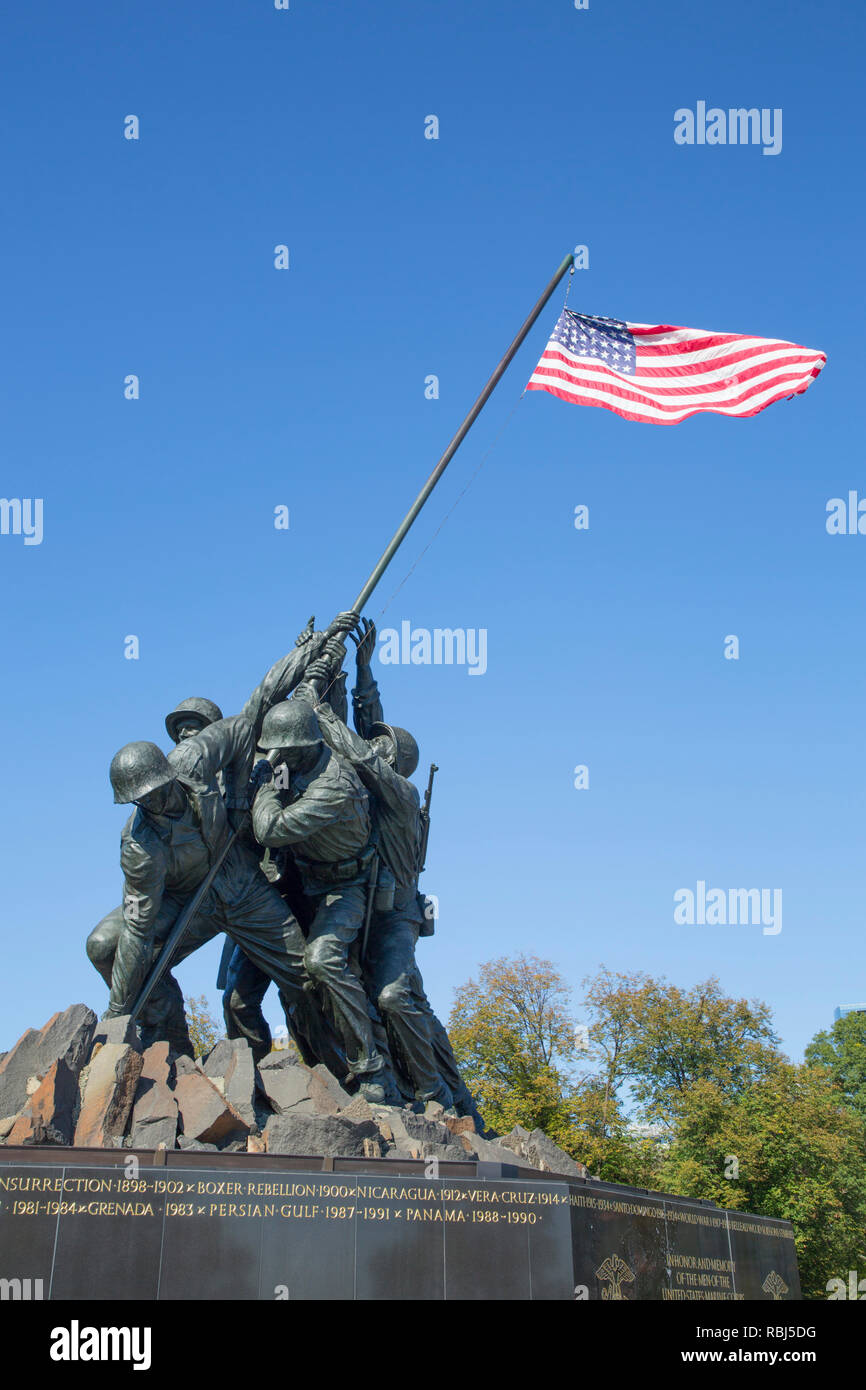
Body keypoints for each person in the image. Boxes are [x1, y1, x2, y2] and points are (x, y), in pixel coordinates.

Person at [252, 698, 393, 1102]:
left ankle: (372, 1073)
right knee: (288, 975)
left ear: (307, 745)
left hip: (345, 888)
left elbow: (271, 828)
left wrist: (265, 788)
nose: (279, 757)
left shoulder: (333, 785)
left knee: (321, 959)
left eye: (286, 750)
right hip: (302, 880)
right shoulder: (297, 761)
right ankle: (320, 1066)